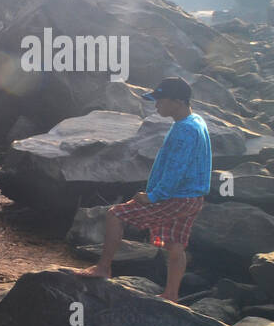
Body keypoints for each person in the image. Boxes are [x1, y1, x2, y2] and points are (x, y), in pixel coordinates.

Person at [78, 77, 212, 302]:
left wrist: (153, 196)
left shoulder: (185, 131)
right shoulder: (195, 121)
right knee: (175, 243)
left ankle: (103, 268)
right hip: (193, 197)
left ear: (177, 101)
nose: (156, 104)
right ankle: (171, 294)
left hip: (176, 196)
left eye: (160, 100)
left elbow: (176, 169)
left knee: (115, 214)